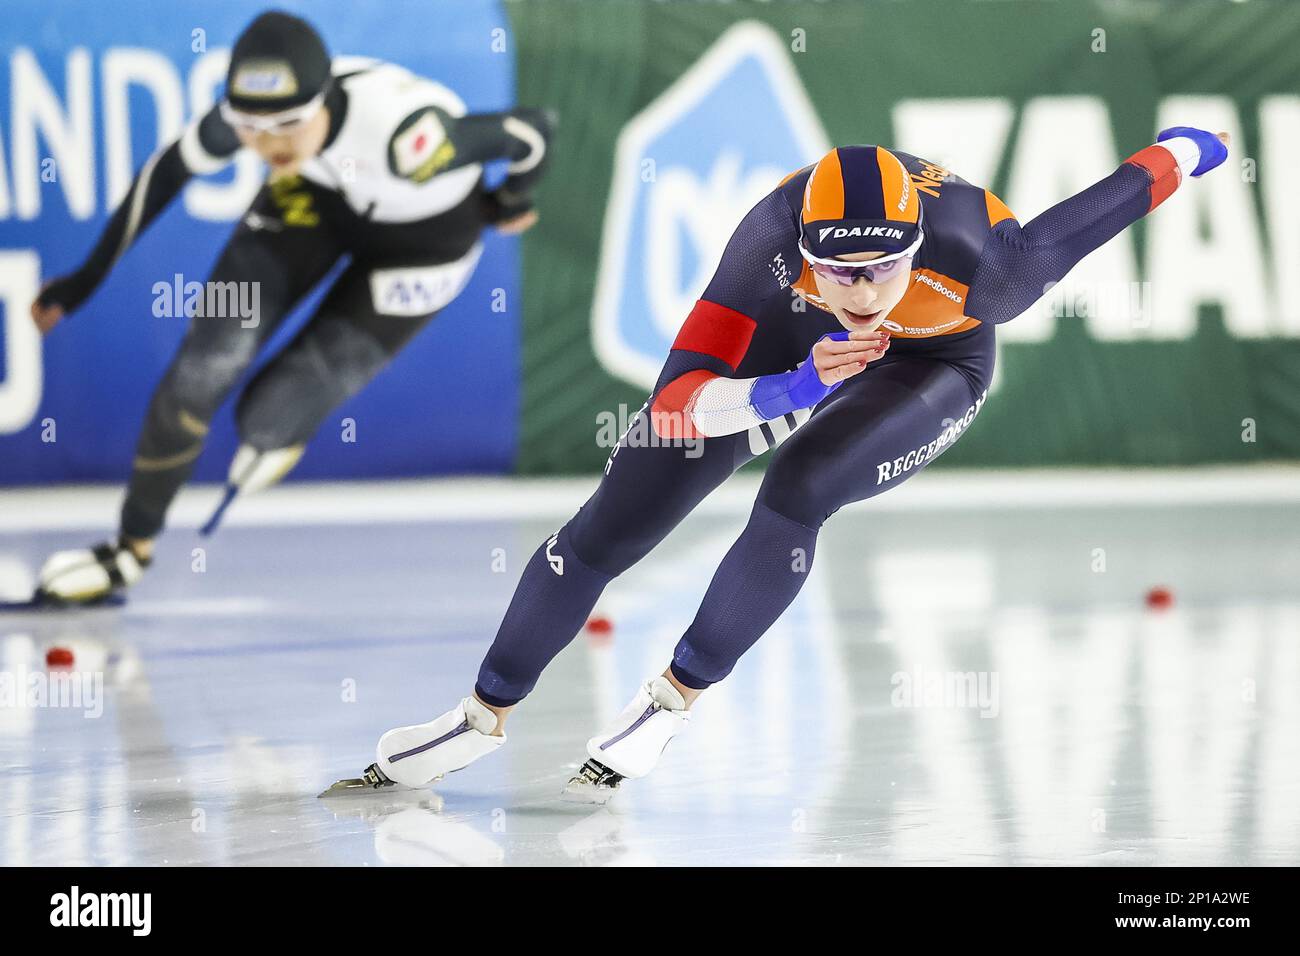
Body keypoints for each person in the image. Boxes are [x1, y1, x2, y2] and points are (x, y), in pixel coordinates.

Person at [330, 126, 1228, 801]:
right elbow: (676, 406)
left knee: (797, 493)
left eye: (884, 271)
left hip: (934, 364)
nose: (865, 293)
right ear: (804, 257)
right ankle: (481, 713)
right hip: (786, 357)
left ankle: (675, 697)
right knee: (612, 518)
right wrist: (786, 387)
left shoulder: (995, 268)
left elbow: (1118, 195)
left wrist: (1189, 149)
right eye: (840, 273)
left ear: (918, 250)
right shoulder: (760, 255)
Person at [31, 10, 554, 605]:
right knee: (200, 371)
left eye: (288, 123)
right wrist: (84, 280)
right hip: (315, 197)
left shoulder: (409, 138)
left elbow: (534, 129)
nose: (269, 143)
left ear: (323, 104)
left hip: (425, 242)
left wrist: (511, 199)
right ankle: (130, 549)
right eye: (250, 126)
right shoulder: (264, 132)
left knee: (267, 418)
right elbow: (164, 174)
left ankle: (285, 422)